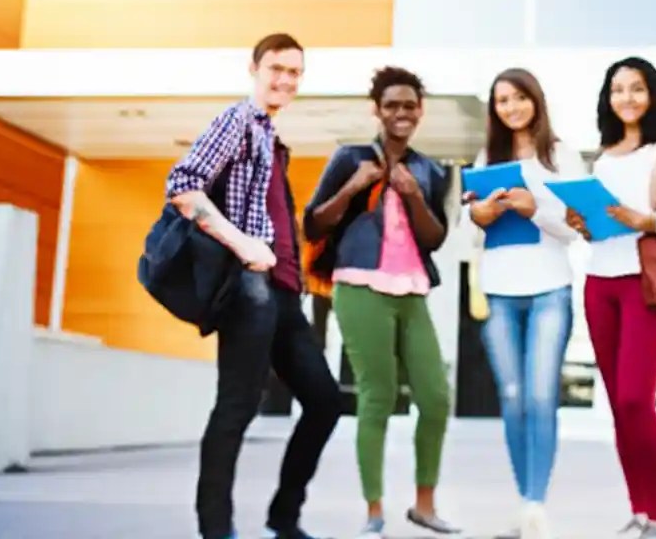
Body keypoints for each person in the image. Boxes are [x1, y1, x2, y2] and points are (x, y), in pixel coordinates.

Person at [167, 33, 342, 539]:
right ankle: (216, 530)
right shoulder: (238, 120)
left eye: (295, 72)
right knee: (237, 407)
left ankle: (283, 518)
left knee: (325, 401)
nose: (285, 79)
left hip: (285, 295)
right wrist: (242, 245)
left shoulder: (269, 135)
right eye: (277, 69)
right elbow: (183, 185)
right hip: (250, 289)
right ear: (255, 68)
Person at [302, 67, 460, 538]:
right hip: (360, 286)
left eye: (410, 105)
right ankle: (374, 510)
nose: (401, 113)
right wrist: (354, 186)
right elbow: (313, 225)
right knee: (378, 396)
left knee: (434, 397)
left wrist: (413, 196)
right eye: (391, 105)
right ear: (376, 109)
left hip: (412, 288)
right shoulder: (349, 157)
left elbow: (434, 238)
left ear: (420, 111)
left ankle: (424, 506)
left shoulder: (428, 169)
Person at [566, 57, 656, 539]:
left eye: (636, 88)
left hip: (648, 284)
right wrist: (583, 224)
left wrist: (644, 221)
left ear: (653, 93)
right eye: (617, 89)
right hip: (599, 282)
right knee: (619, 407)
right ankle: (639, 511)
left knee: (634, 398)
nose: (626, 98)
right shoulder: (602, 157)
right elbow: (601, 225)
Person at [461, 68, 586, 538]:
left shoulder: (562, 156)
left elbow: (578, 227)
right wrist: (480, 214)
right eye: (501, 100)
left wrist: (538, 210)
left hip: (550, 287)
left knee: (540, 396)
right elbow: (469, 224)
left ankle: (537, 503)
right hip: (499, 289)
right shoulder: (486, 156)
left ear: (535, 99)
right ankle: (524, 500)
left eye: (518, 97)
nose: (510, 107)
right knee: (512, 400)